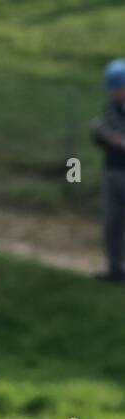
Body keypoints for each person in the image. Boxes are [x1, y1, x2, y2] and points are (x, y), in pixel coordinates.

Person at [92, 59, 125, 283]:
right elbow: (102, 140)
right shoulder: (112, 108)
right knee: (112, 223)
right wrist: (103, 137)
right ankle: (114, 270)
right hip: (112, 170)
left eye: (116, 87)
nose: (113, 92)